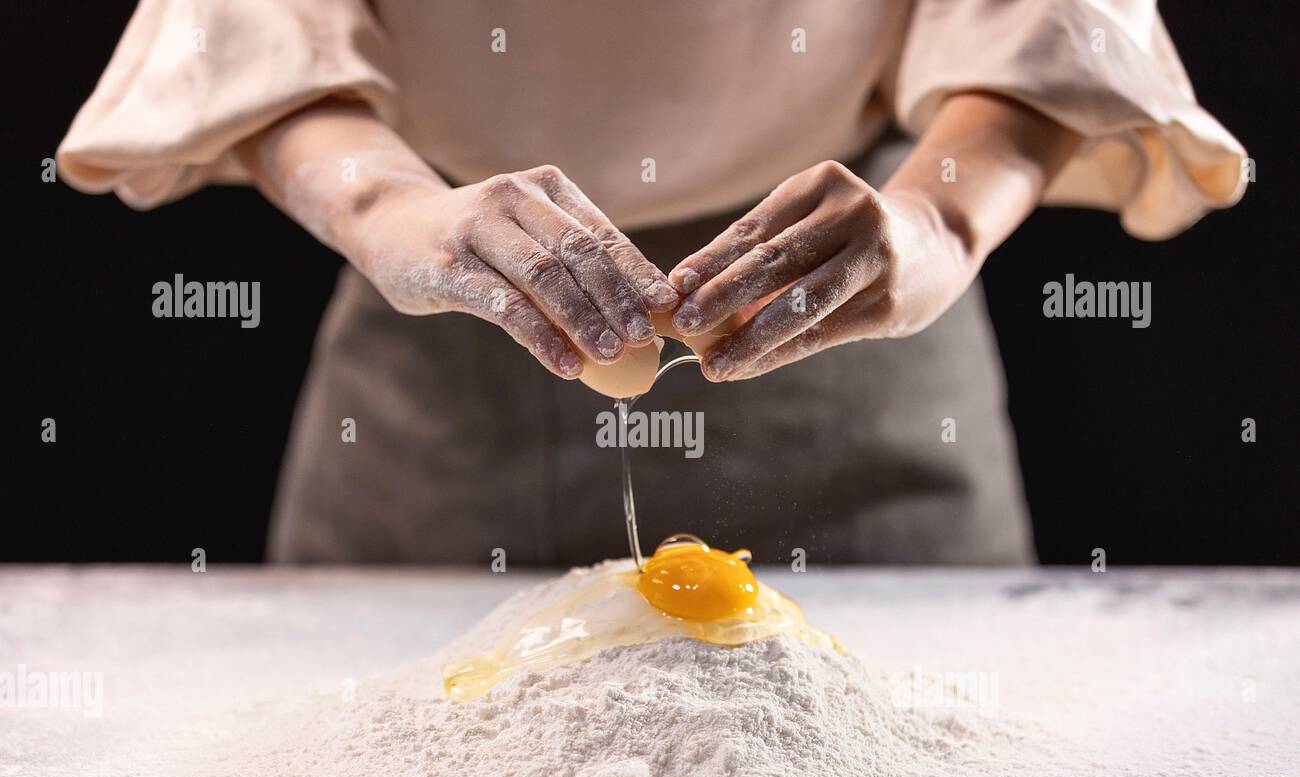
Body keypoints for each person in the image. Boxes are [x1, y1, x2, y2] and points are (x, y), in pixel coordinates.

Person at [58, 1, 1246, 566]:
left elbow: (1051, 25)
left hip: (847, 321)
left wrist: (940, 213)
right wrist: (382, 206)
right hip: (443, 361)